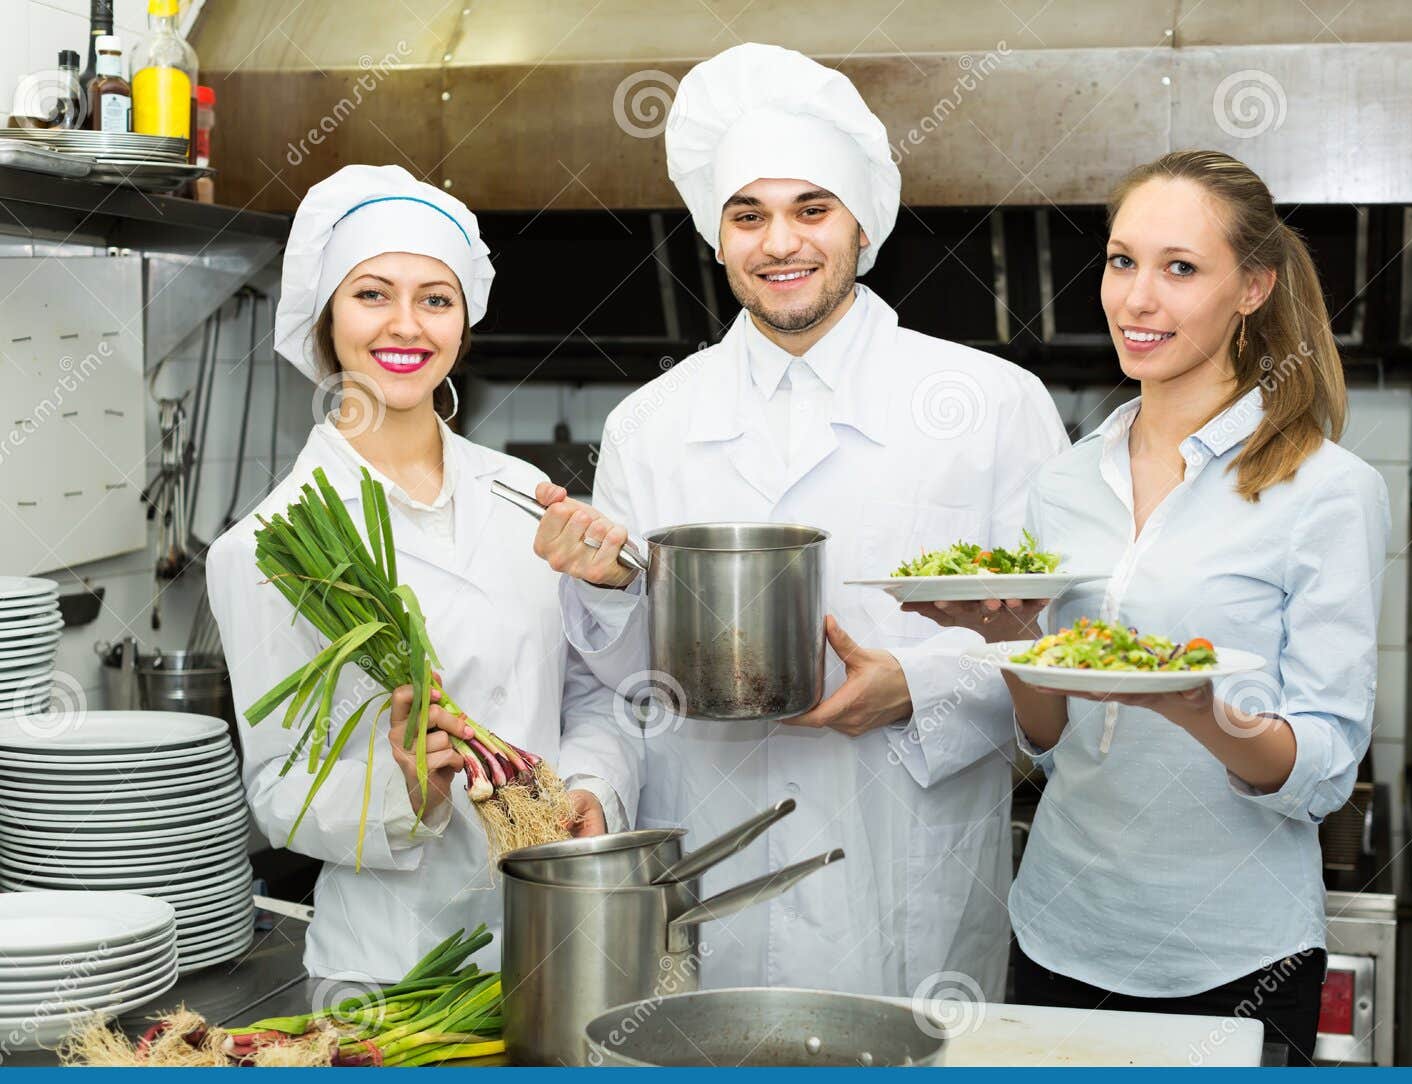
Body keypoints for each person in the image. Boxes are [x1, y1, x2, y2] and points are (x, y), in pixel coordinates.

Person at [532, 44, 1065, 998]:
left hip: (907, 885)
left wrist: (914, 685)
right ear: (717, 233)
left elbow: (1064, 654)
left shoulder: (991, 403)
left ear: (863, 225)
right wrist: (607, 610)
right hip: (712, 879)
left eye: (811, 209)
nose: (781, 242)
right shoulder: (649, 423)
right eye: (749, 215)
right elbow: (612, 687)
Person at [917, 150, 1387, 1062]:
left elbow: (1326, 769)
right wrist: (1012, 635)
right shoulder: (1062, 483)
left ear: (1253, 287)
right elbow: (1051, 741)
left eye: (1180, 268)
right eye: (1123, 261)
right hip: (1059, 932)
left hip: (1235, 960)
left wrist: (1202, 715)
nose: (1137, 299)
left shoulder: (1328, 490)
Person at [208, 165, 637, 982]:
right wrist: (409, 790)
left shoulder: (525, 495)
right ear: (327, 316)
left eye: (435, 299)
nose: (406, 324)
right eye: (372, 293)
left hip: (558, 940)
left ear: (464, 322)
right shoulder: (264, 545)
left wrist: (591, 786)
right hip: (392, 971)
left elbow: (592, 692)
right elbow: (276, 792)